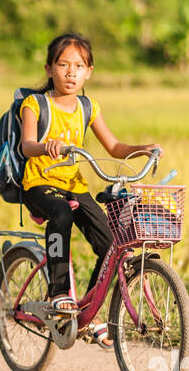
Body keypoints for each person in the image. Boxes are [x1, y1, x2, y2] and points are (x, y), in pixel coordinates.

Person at [19, 32, 160, 347]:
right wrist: (46, 146)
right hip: (40, 183)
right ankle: (58, 293)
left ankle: (88, 312)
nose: (71, 73)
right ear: (49, 68)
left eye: (79, 66)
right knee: (60, 215)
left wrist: (144, 149)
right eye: (63, 65)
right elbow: (27, 145)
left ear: (89, 72)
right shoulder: (35, 104)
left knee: (112, 243)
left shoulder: (88, 107)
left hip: (73, 185)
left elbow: (114, 146)